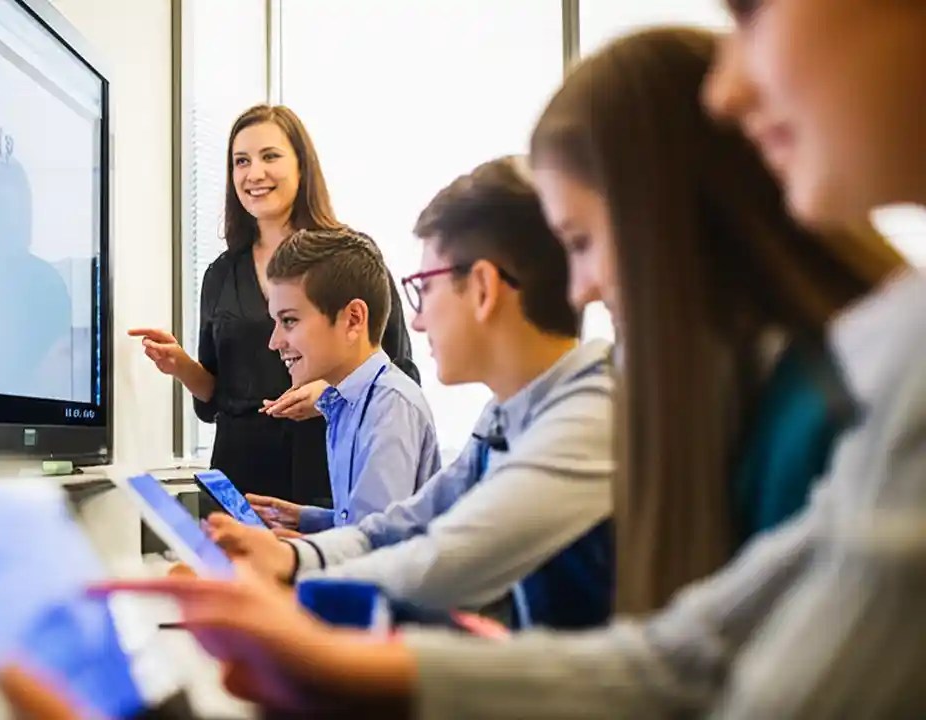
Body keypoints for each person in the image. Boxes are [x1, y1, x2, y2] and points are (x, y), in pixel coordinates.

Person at [97, 24, 926, 718]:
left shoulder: (834, 391)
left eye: (583, 244)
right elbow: (679, 661)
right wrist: (302, 592)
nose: (586, 287)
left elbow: (450, 555)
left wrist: (301, 599)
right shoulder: (812, 380)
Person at [528, 28, 901, 613]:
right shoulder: (758, 397)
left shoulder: (824, 416)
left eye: (580, 242)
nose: (581, 290)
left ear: (675, 217)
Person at [211, 156, 616, 629]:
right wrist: (292, 560)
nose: (418, 320)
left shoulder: (586, 418)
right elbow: (400, 526)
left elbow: (443, 563)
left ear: (482, 287)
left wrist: (278, 587)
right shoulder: (503, 416)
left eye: (423, 290)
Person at [129, 105, 418, 506]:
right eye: (241, 161)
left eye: (270, 156)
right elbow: (215, 400)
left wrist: (329, 395)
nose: (254, 173)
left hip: (326, 470)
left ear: (302, 166)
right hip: (242, 475)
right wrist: (182, 366)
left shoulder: (350, 257)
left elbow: (398, 373)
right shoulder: (221, 274)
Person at [254, 228, 439, 533]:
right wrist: (308, 520)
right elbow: (369, 521)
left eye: (289, 321)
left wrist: (294, 550)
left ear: (353, 319)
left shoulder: (390, 408)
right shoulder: (345, 403)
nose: (274, 342)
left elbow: (380, 546)